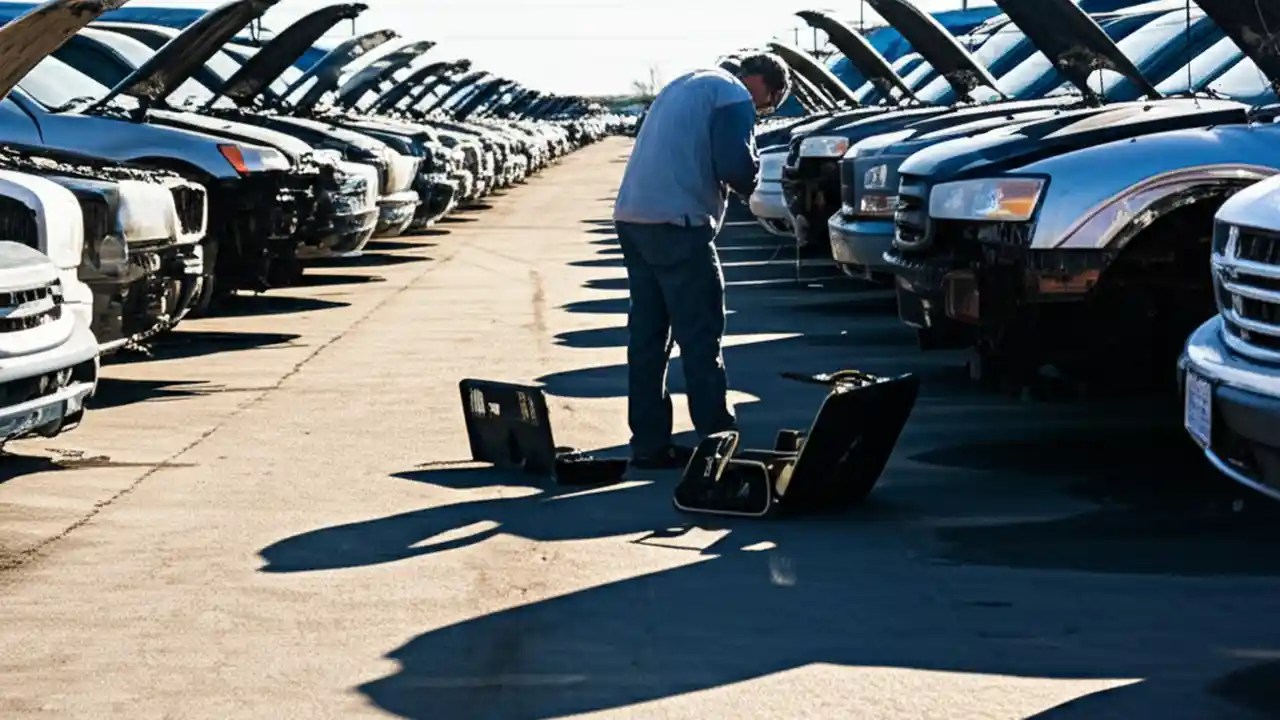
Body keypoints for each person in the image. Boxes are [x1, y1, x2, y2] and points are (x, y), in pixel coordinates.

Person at [612, 53, 792, 470]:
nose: (761, 112)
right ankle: (718, 444)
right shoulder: (732, 95)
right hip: (678, 224)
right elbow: (734, 164)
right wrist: (757, 185)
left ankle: (649, 444)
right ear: (764, 83)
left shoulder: (688, 83)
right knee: (701, 336)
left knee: (648, 339)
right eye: (768, 104)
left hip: (633, 218)